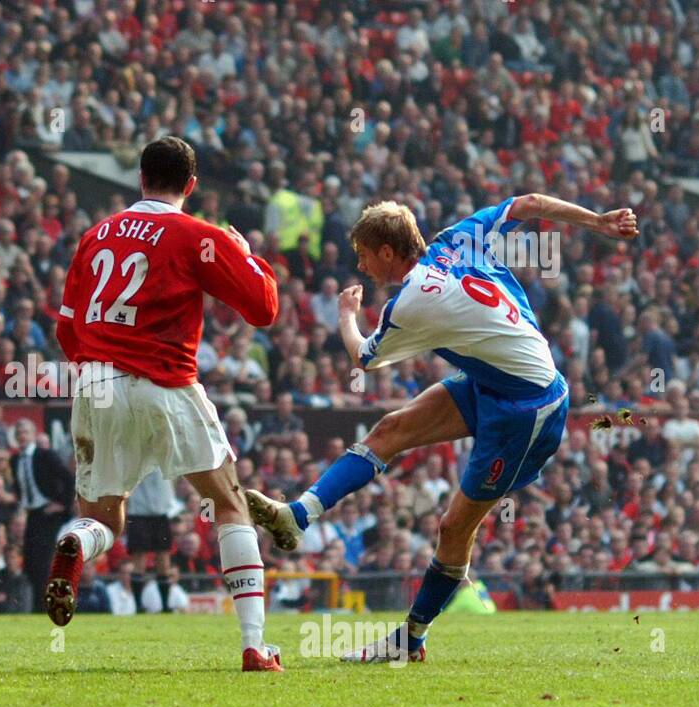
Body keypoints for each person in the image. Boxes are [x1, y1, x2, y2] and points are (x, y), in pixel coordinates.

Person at [246, 194, 639, 663]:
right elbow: (529, 202)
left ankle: (412, 638)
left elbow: (362, 358)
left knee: (454, 527)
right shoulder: (457, 238)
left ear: (387, 253)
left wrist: (347, 315)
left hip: (527, 407)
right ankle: (298, 515)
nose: (362, 265)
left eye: (364, 255)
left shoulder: (412, 301)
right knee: (390, 430)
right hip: (492, 380)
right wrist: (598, 220)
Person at [49, 136, 284, 671]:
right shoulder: (197, 236)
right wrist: (248, 256)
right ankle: (253, 644)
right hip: (166, 383)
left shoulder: (95, 235)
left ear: (140, 179)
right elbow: (264, 310)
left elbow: (66, 328)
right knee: (228, 502)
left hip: (96, 384)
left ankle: (75, 544)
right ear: (192, 185)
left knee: (106, 518)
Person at [11, 418, 74, 609]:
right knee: (30, 561)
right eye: (19, 433)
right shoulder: (15, 460)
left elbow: (69, 478)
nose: (22, 436)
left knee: (44, 561)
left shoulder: (45, 455)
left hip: (50, 513)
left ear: (33, 435)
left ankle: (48, 606)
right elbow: (20, 486)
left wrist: (62, 504)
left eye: (26, 432)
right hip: (33, 514)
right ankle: (38, 605)